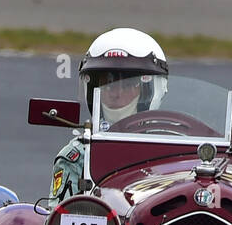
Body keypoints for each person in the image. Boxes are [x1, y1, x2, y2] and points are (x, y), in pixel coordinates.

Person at [51, 28, 170, 198]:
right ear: (93, 90)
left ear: (147, 91)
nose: (117, 93)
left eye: (128, 85)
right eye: (108, 84)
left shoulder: (172, 150)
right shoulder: (78, 156)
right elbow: (61, 217)